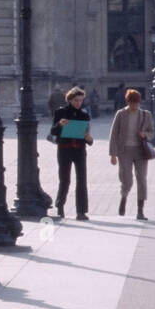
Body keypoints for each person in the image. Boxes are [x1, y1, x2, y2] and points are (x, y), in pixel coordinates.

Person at [108, 88, 155, 220]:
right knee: (127, 179)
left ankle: (140, 210)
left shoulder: (146, 115)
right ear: (127, 102)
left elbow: (152, 132)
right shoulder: (121, 114)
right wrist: (113, 154)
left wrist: (145, 134)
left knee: (142, 179)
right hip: (125, 151)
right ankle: (124, 196)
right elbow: (113, 134)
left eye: (136, 103)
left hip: (141, 150)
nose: (134, 106)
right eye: (131, 103)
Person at [51, 85, 94, 220]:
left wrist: (89, 139)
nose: (78, 103)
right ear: (70, 100)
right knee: (65, 179)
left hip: (80, 150)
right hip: (64, 149)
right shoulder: (61, 112)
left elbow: (89, 137)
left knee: (82, 180)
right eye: (76, 100)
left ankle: (81, 211)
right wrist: (60, 125)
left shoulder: (84, 114)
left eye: (81, 100)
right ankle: (60, 206)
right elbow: (53, 131)